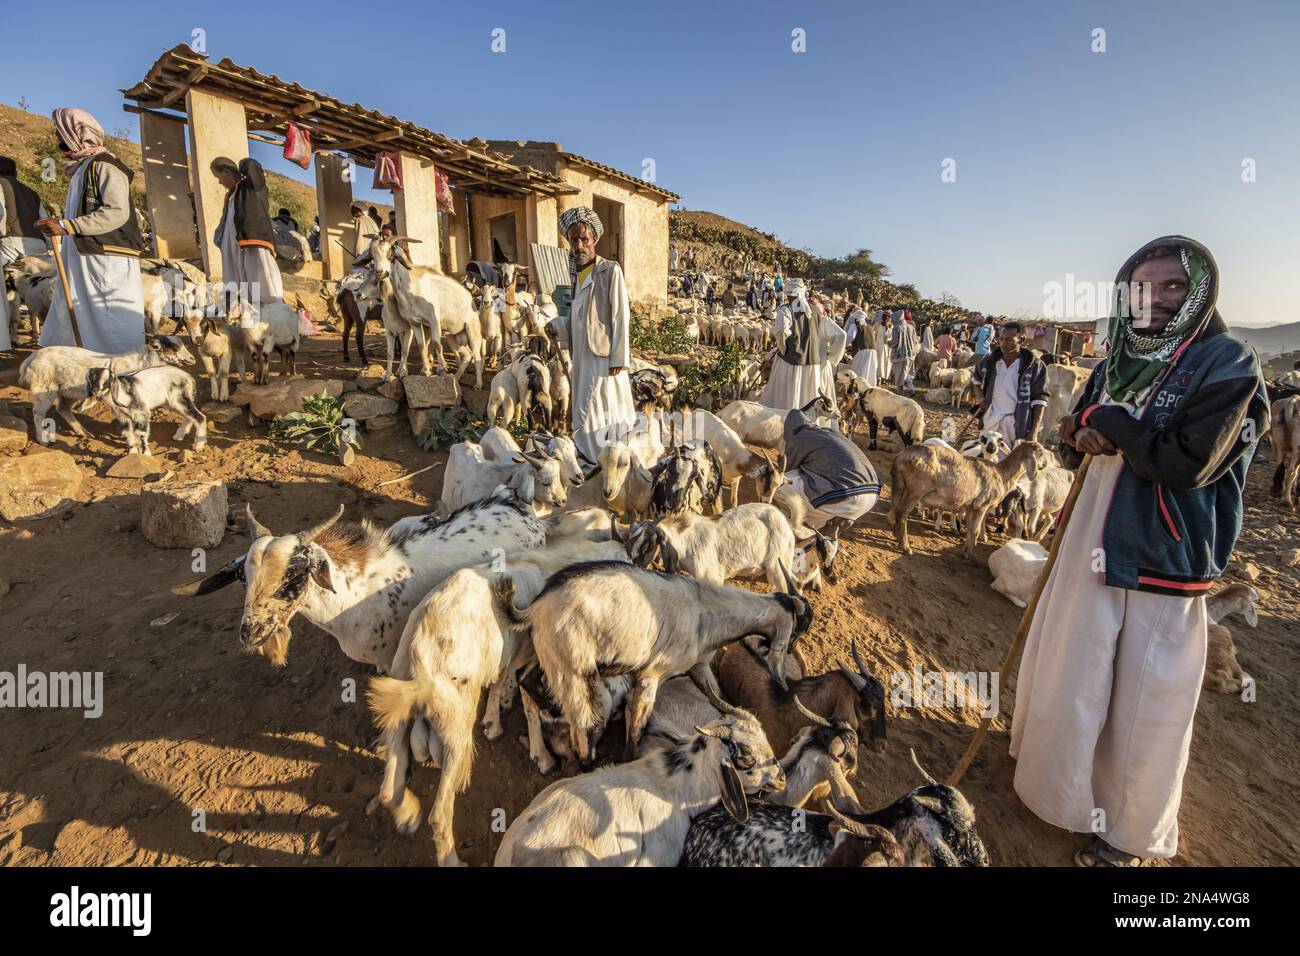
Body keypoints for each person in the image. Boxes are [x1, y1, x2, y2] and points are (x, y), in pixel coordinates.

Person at [1011, 236, 1268, 867]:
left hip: (1160, 549)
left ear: (1201, 292)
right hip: (1090, 537)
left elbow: (1188, 462)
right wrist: (1083, 432)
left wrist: (1113, 425)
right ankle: (1055, 788)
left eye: (1173, 287)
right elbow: (1072, 433)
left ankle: (1126, 835)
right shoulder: (1119, 356)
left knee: (1144, 698)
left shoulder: (1227, 363)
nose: (1154, 300)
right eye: (1142, 288)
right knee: (1077, 667)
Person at [36, 108, 146, 353]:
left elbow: (117, 212)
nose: (57, 137)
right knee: (87, 316)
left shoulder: (105, 165)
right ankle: (88, 366)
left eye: (59, 131)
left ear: (74, 132)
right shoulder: (81, 169)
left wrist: (67, 226)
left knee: (110, 319)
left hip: (106, 257)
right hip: (86, 254)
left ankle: (124, 370)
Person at [549, 206, 635, 471]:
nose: (579, 244)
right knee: (584, 403)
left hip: (604, 356)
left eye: (584, 239)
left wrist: (619, 357)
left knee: (600, 403)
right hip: (582, 356)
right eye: (573, 239)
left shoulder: (610, 271)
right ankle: (589, 457)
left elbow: (621, 316)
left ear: (594, 239)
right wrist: (557, 326)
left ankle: (603, 456)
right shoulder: (577, 276)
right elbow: (578, 319)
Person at [781, 403, 881, 532]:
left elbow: (787, 471)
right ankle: (834, 521)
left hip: (845, 496)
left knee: (781, 484)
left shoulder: (799, 437)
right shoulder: (829, 433)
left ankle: (803, 526)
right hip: (871, 496)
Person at [760, 278, 846, 410]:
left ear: (789, 294)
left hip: (790, 363)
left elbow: (782, 331)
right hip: (813, 365)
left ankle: (785, 424)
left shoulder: (786, 309)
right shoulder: (816, 311)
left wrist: (783, 349)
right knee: (809, 400)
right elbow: (841, 334)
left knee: (784, 399)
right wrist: (832, 358)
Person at [210, 156, 282, 309]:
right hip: (237, 245)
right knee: (243, 283)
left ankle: (275, 313)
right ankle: (252, 317)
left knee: (262, 281)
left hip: (255, 242)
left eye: (218, 177)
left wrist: (242, 164)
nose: (219, 182)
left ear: (227, 171)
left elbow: (253, 167)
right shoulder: (231, 195)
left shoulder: (250, 187)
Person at [0, 155, 49, 354]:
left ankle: (7, 337)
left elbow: (1, 214)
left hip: (12, 243)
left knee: (5, 288)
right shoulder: (32, 192)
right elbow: (44, 220)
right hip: (38, 247)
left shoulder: (0, 185)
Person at [976, 322, 1048, 445]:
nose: (1003, 343)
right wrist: (981, 399)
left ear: (1022, 340)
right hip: (992, 422)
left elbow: (1040, 400)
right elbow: (975, 381)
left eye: (1009, 340)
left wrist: (1034, 432)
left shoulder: (1034, 366)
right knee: (988, 461)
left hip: (1017, 426)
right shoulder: (990, 361)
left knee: (1012, 463)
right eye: (1001, 339)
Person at [844, 303, 878, 386]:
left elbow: (850, 337)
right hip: (873, 352)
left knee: (859, 375)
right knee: (870, 375)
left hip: (862, 352)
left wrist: (843, 346)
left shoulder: (854, 325)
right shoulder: (869, 326)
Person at [891, 310, 920, 394]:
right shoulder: (911, 327)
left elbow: (895, 343)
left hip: (899, 356)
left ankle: (900, 392)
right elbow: (915, 340)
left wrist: (889, 344)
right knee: (908, 373)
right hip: (911, 354)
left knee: (900, 375)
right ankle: (911, 389)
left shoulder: (896, 328)